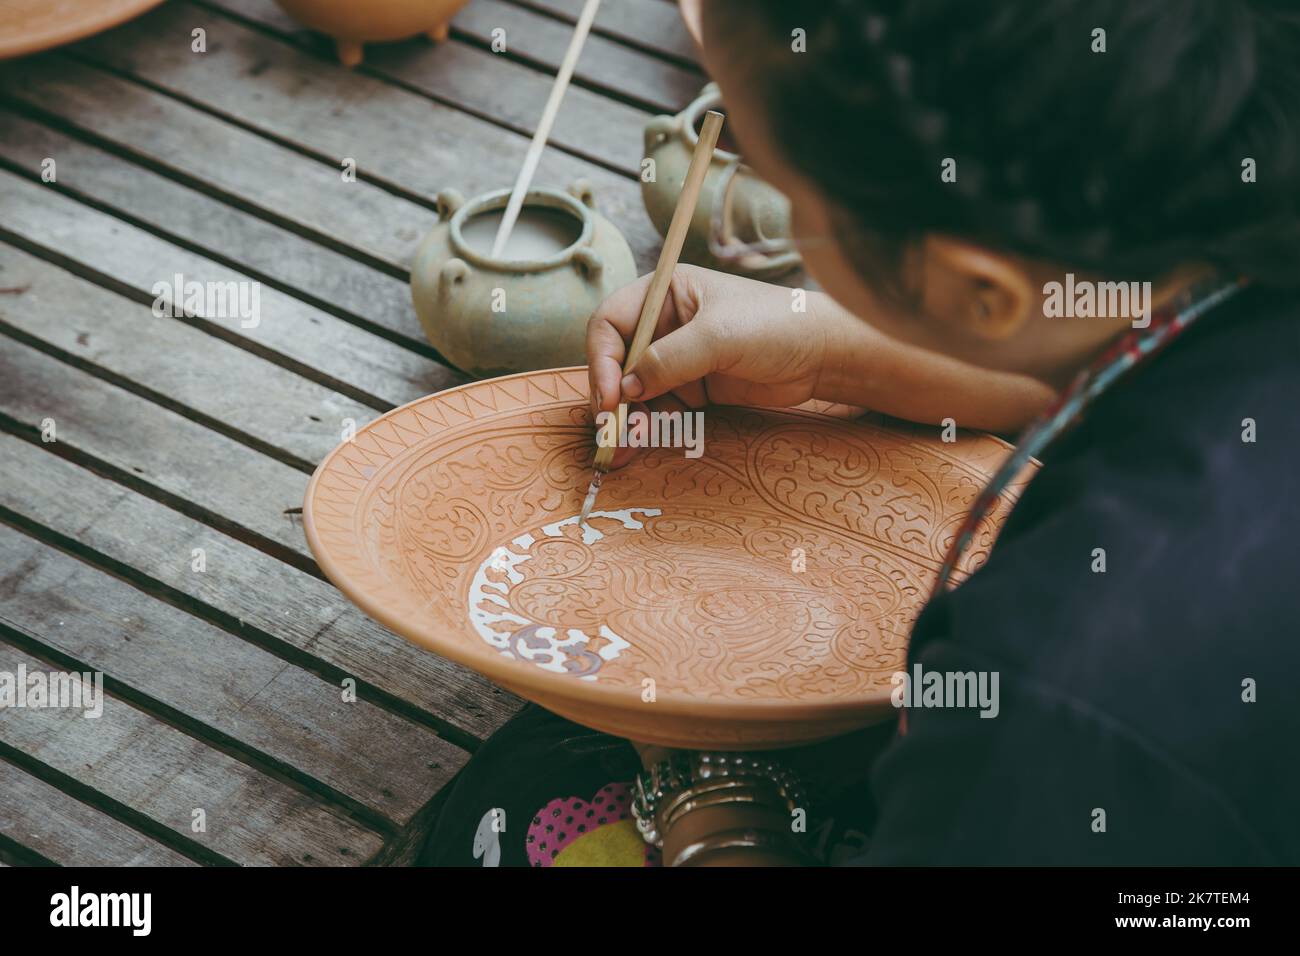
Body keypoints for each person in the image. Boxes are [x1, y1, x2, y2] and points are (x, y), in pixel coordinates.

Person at [421, 0, 1300, 866]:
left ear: (975, 287)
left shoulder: (1054, 702)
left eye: (778, 180)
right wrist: (835, 349)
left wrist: (713, 787)